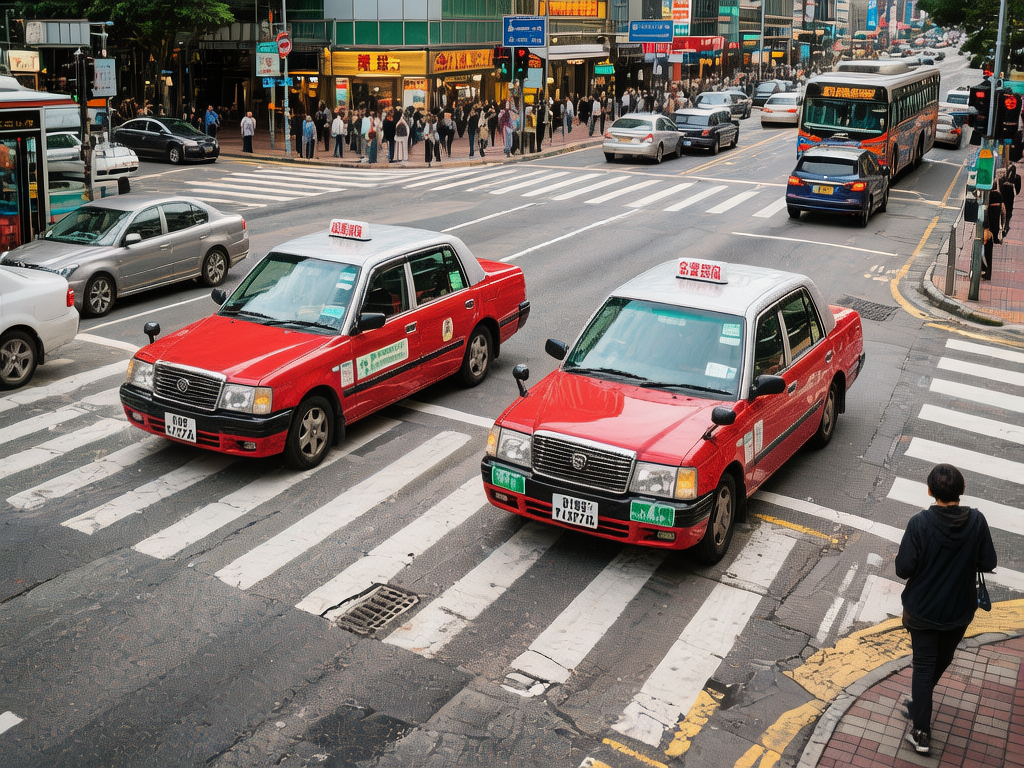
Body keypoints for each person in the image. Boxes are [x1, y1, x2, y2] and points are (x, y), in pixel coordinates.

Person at [895, 463, 997, 756]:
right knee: (942, 659)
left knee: (924, 667)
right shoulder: (977, 522)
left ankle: (921, 731)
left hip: (922, 609)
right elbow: (988, 562)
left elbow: (904, 568)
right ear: (962, 491)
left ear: (930, 491)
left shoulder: (919, 523)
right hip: (958, 610)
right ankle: (920, 702)